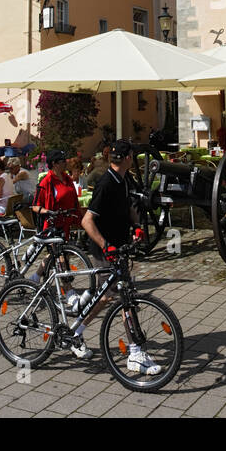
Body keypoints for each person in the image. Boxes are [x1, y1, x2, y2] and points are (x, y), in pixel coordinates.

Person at [79, 140, 159, 374]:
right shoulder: (106, 183)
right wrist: (106, 246)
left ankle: (77, 332)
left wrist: (135, 225)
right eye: (132, 154)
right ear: (127, 157)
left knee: (108, 298)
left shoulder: (123, 179)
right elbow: (87, 221)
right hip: (106, 250)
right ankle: (134, 353)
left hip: (120, 247)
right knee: (122, 298)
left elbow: (127, 208)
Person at [33, 150, 82, 232]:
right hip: (54, 227)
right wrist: (48, 212)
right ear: (54, 163)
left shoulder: (67, 179)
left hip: (70, 223)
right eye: (62, 161)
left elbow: (75, 201)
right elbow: (35, 206)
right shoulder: (46, 182)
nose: (65, 163)